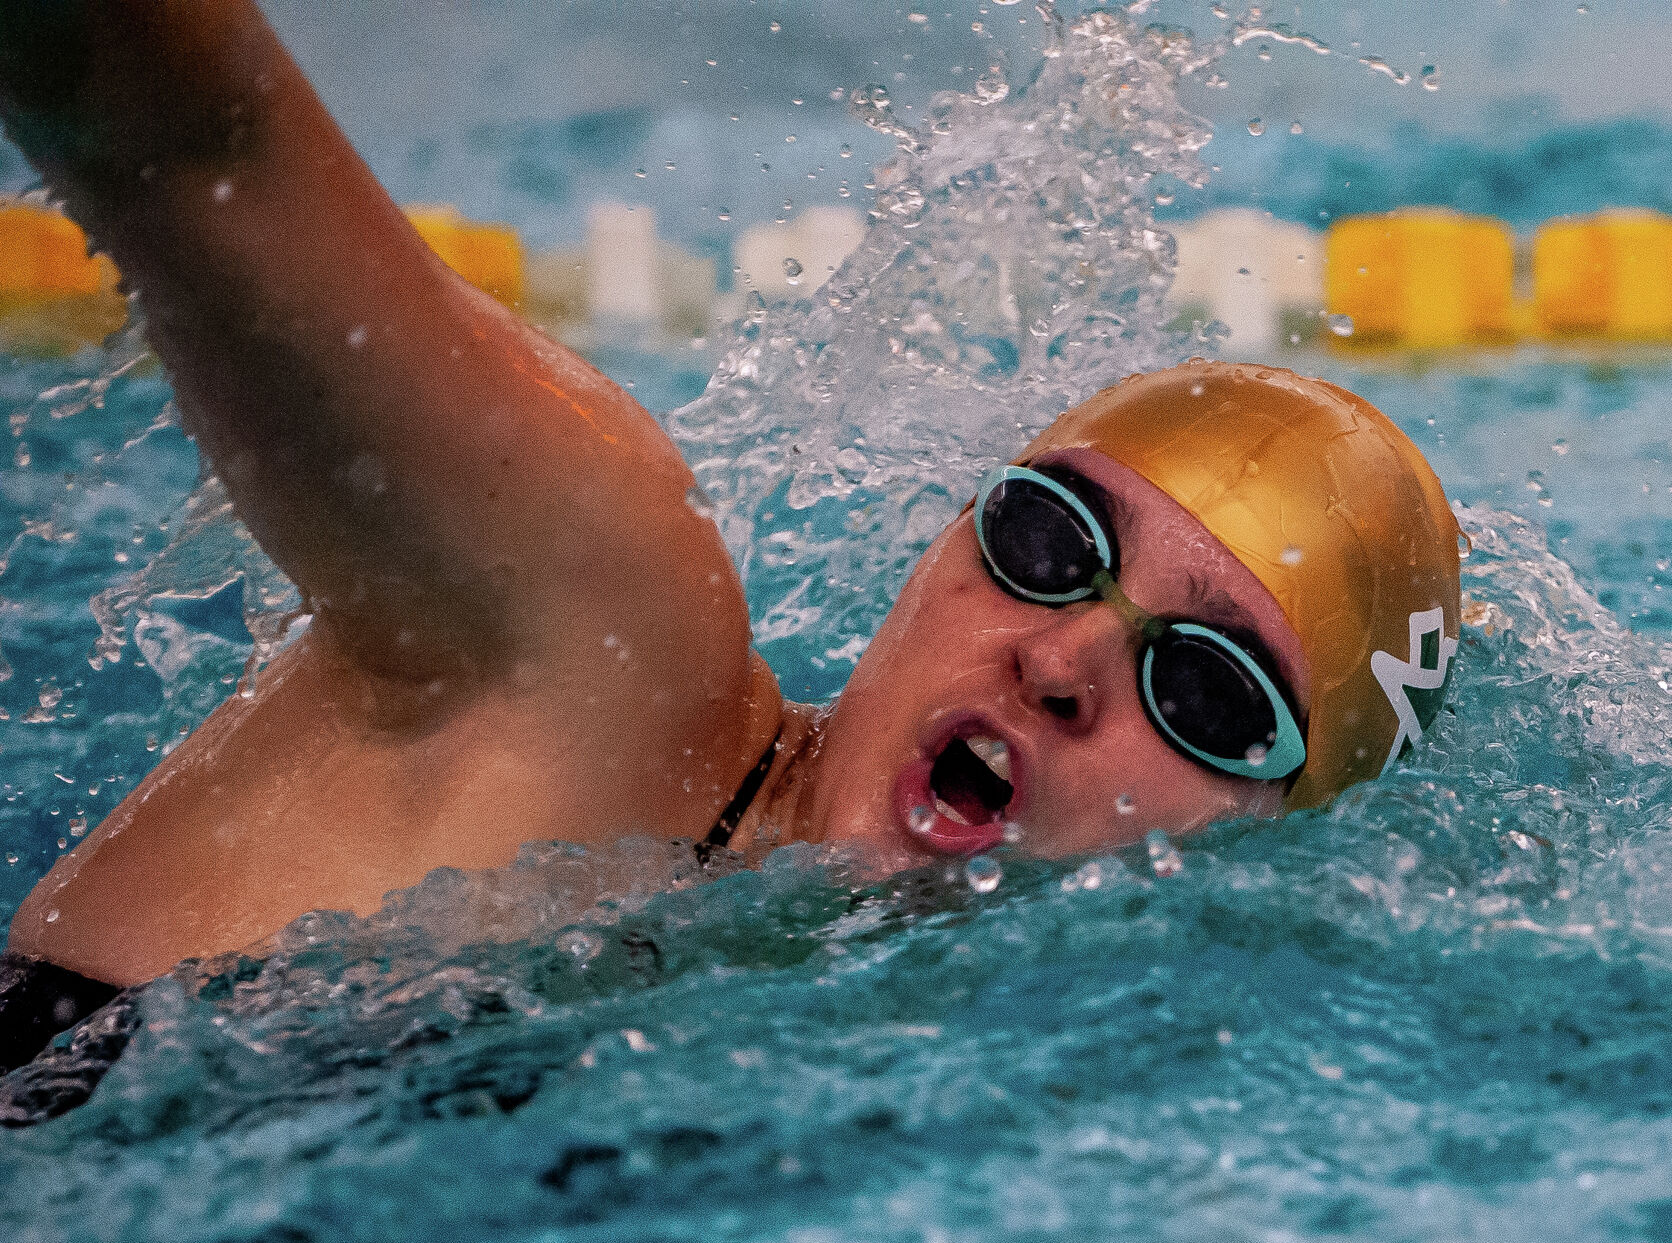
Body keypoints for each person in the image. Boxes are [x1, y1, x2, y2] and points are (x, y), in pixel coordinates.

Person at [0, 2, 1461, 1065]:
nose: (1065, 658)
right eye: (1047, 539)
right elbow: (183, 136)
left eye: (1206, 688)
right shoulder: (590, 622)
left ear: (1279, 840)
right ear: (935, 552)